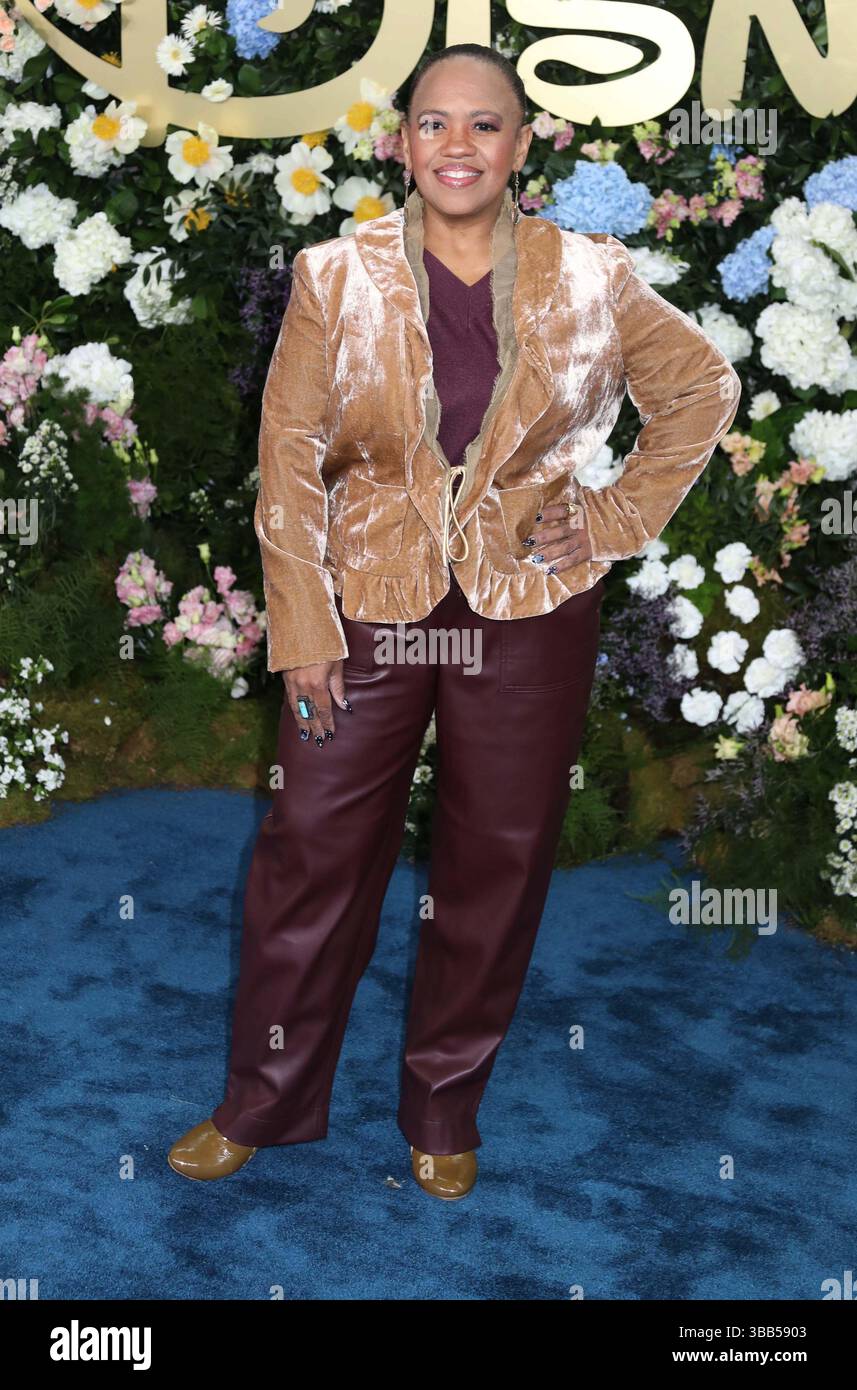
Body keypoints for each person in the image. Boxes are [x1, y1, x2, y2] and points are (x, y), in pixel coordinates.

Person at [168, 43, 741, 1199]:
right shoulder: (334, 276)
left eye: (483, 124)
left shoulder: (593, 277)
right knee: (309, 850)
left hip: (525, 607)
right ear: (402, 144)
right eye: (434, 123)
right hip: (364, 608)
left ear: (522, 144)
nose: (457, 146)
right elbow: (287, 455)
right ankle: (262, 1100)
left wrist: (613, 515)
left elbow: (699, 387)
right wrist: (304, 626)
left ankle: (441, 1109)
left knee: (496, 859)